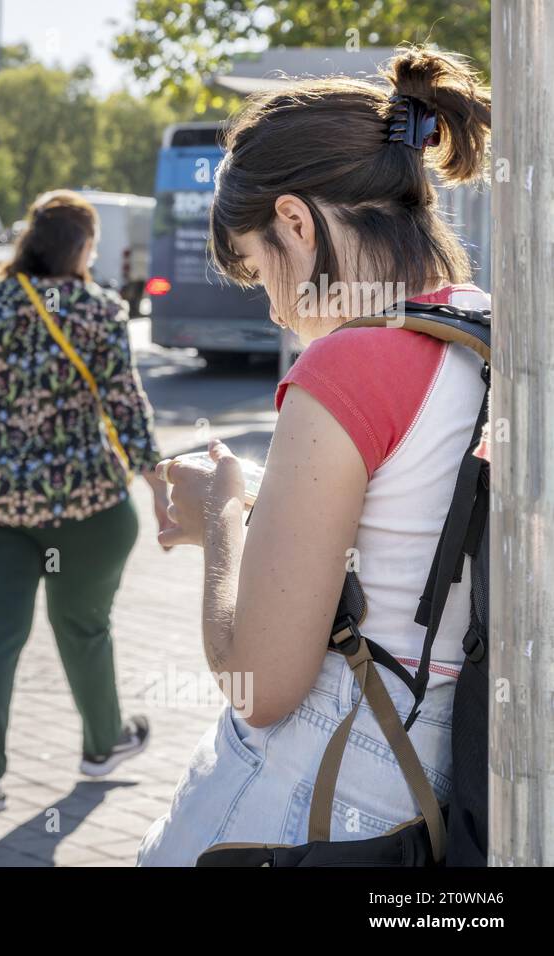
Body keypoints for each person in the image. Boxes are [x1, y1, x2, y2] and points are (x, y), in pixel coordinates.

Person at [138, 47, 492, 864]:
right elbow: (411, 523)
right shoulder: (481, 330)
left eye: (261, 269)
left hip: (323, 785)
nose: (271, 306)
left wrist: (223, 509)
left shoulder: (348, 364)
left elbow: (259, 686)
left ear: (296, 223)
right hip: (438, 783)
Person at [0, 189, 172, 822]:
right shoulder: (98, 312)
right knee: (85, 627)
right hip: (84, 511)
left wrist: (3, 406)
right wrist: (159, 483)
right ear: (83, 248)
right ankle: (102, 745)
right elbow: (125, 408)